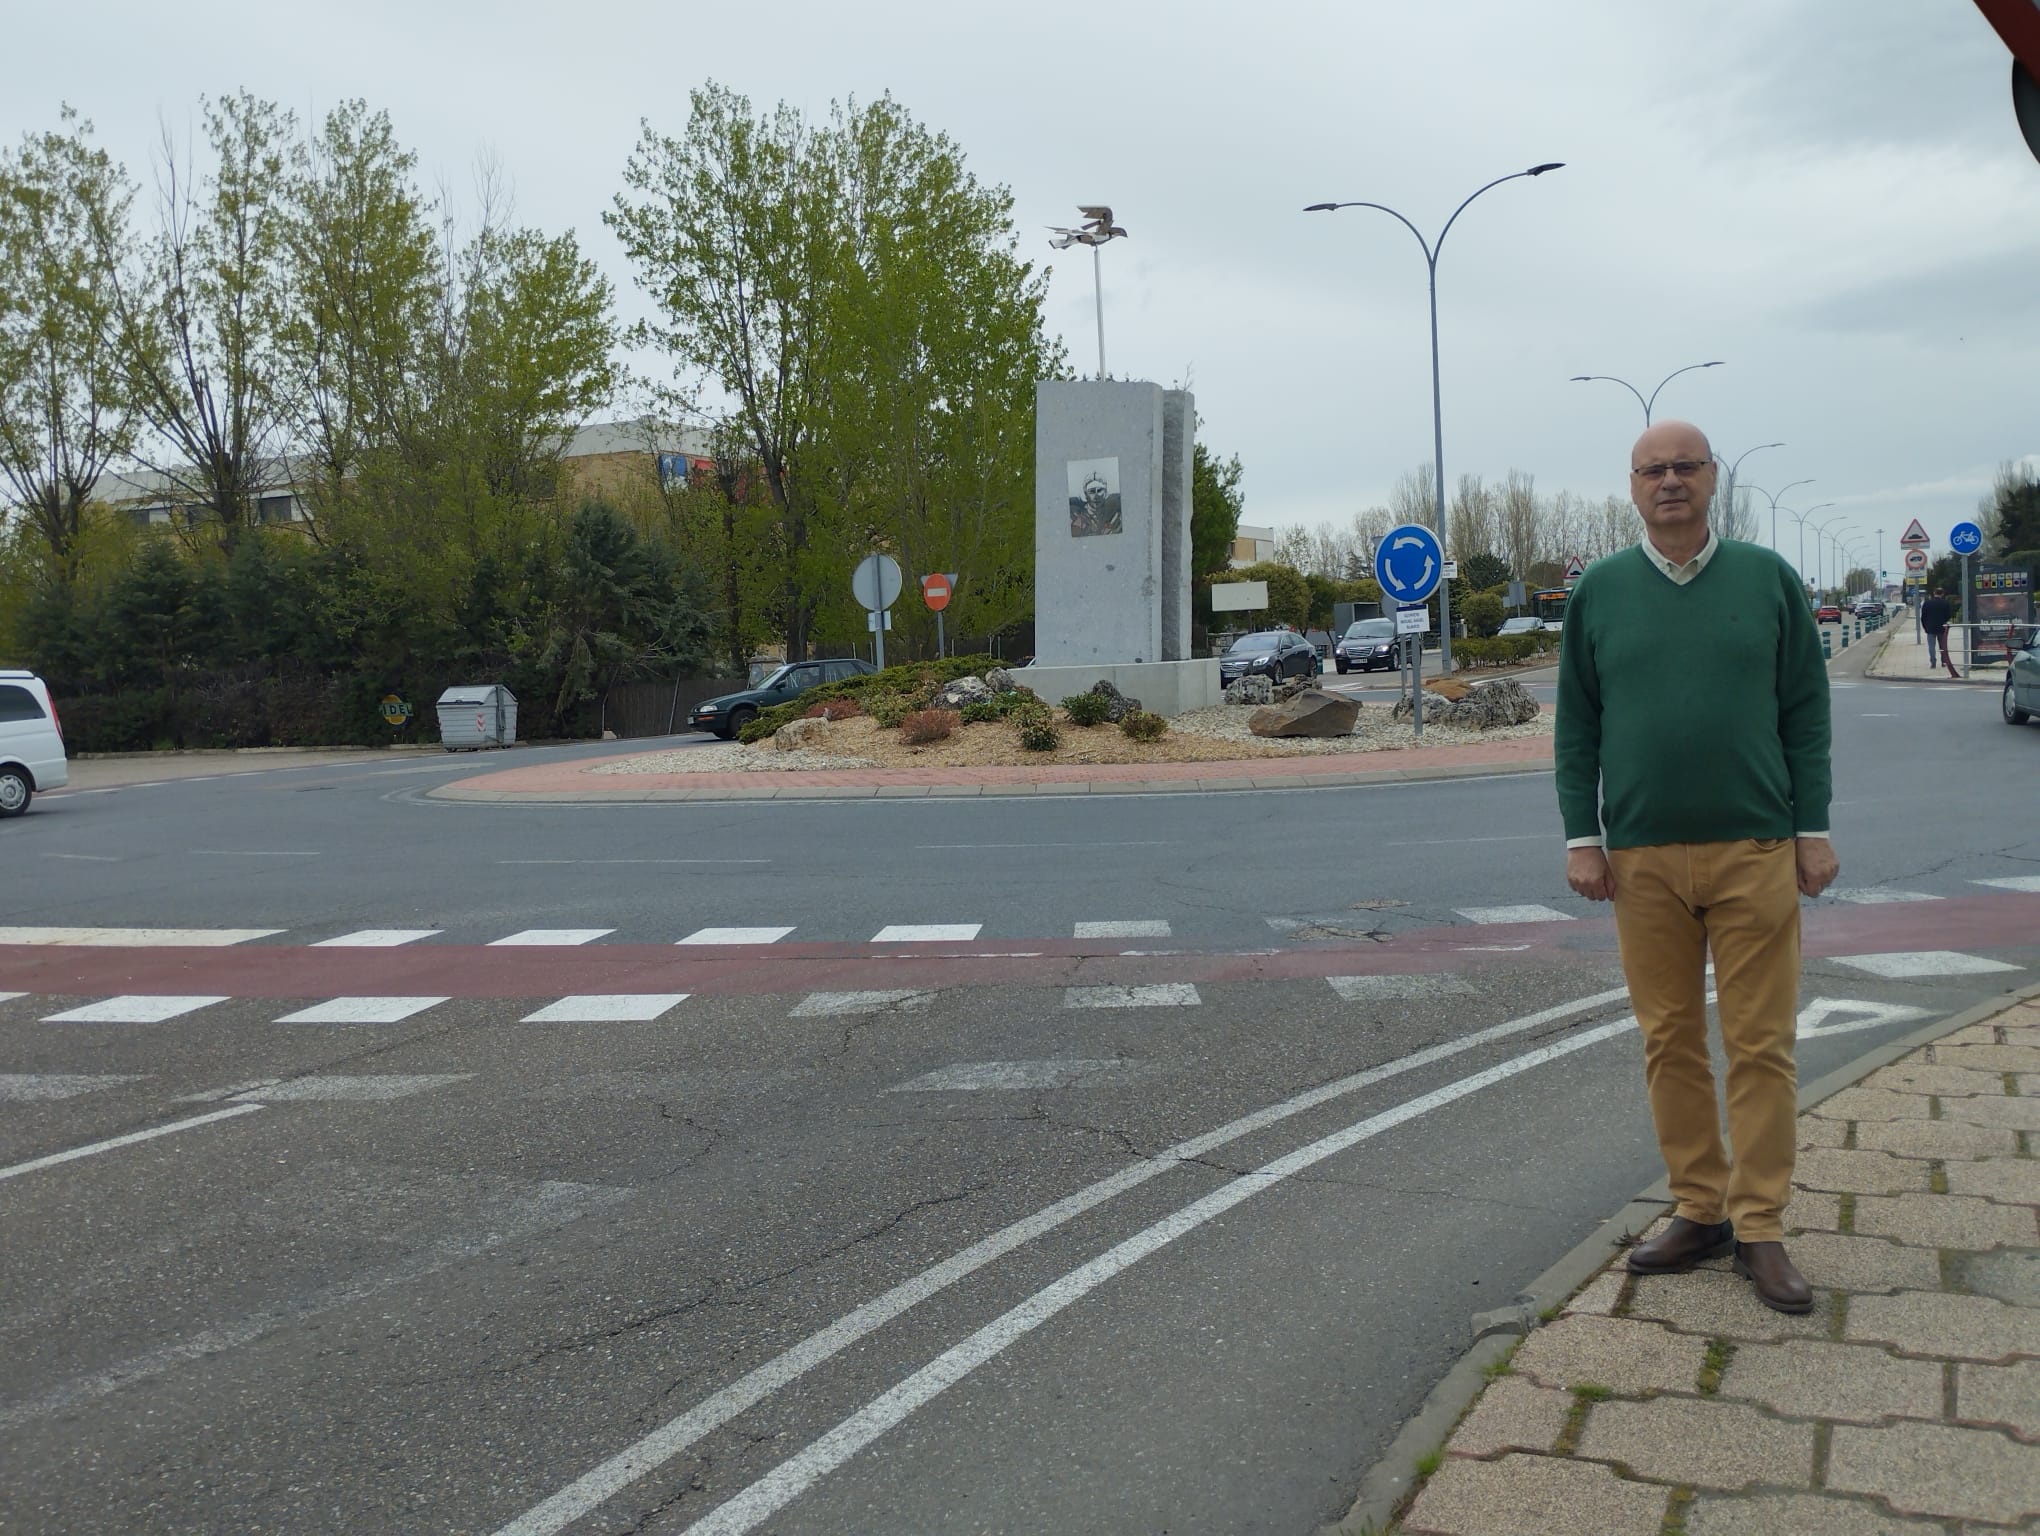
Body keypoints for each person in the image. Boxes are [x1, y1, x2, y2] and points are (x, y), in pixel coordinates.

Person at [1556, 421, 1838, 1315]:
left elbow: (1805, 712)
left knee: (1762, 1045)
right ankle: (1698, 1208)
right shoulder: (1599, 591)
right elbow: (1577, 727)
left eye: (1685, 467)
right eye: (1653, 470)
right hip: (1639, 860)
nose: (1670, 481)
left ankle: (1760, 1226)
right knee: (1669, 1041)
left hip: (1755, 847)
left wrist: (1813, 828)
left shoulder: (1768, 582)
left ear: (1713, 478)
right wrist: (1581, 836)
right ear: (1632, 486)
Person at [1919, 587, 1960, 677]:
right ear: (1942, 594)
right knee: (1943, 646)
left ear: (1934, 593)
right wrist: (1943, 621)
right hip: (1942, 627)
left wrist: (1925, 627)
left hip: (1930, 628)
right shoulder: (1945, 603)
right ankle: (1943, 661)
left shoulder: (1927, 603)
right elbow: (1948, 615)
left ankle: (1933, 662)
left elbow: (1923, 617)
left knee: (1931, 646)